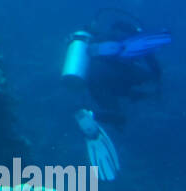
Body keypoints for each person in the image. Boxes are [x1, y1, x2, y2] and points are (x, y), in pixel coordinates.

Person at [61, 9, 170, 180]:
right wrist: (157, 81)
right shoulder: (130, 41)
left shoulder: (97, 39)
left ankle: (89, 115)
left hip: (92, 79)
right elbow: (152, 66)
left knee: (121, 105)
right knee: (122, 113)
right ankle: (93, 115)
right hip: (109, 76)